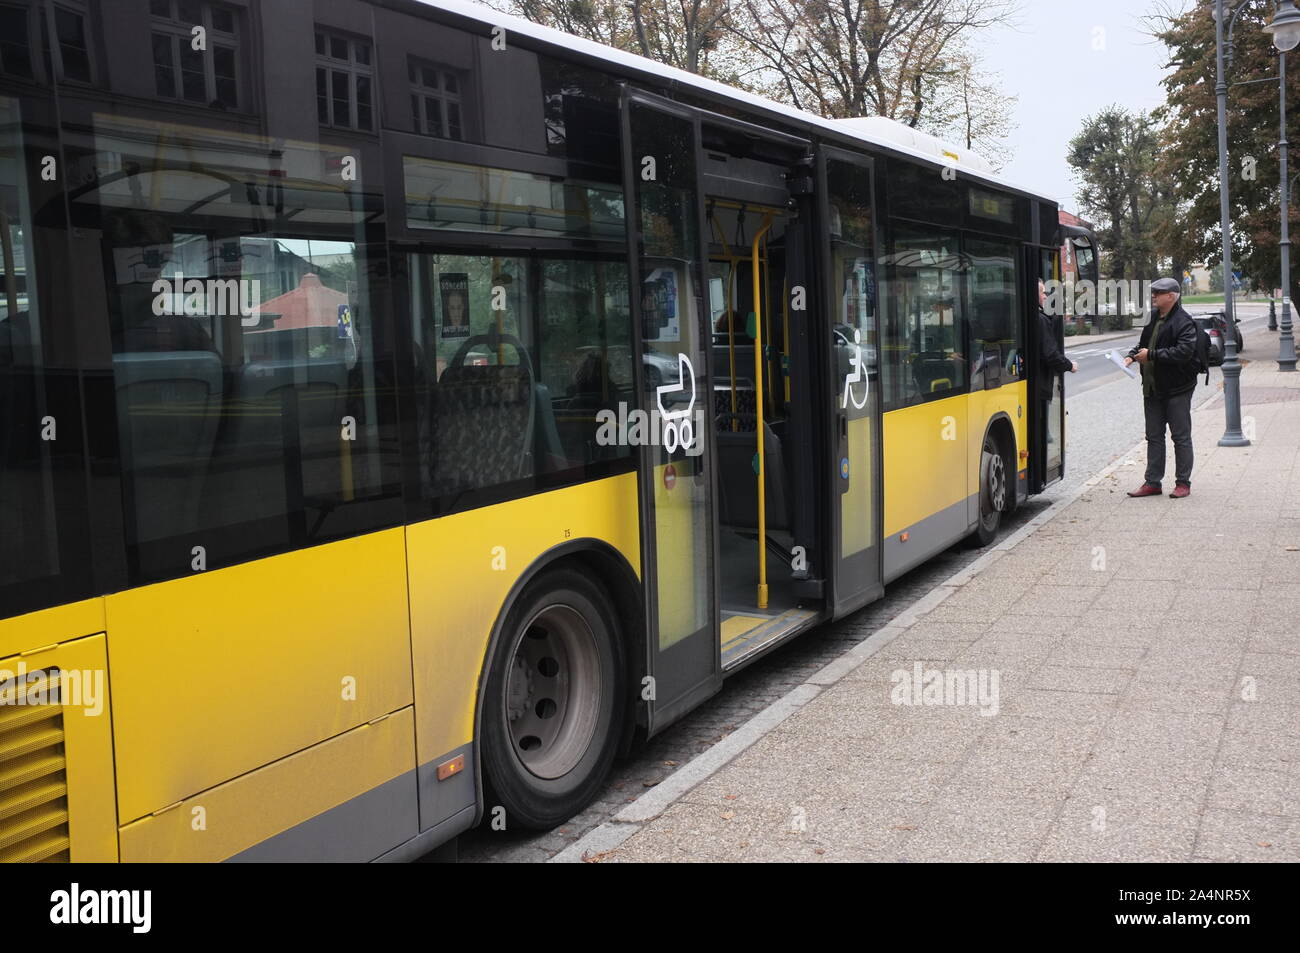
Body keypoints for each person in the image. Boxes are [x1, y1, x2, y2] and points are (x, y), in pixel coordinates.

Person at [1123, 276, 1199, 499]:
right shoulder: (1154, 317)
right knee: (1154, 436)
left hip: (1177, 388)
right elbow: (1144, 344)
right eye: (1153, 292)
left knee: (1181, 437)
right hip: (1153, 388)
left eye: (1158, 293)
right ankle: (1153, 482)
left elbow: (1184, 352)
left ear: (1171, 296)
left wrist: (1152, 355)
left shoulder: (1184, 321)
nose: (1154, 296)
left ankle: (1183, 483)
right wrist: (1131, 356)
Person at [1037, 279, 1078, 439]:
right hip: (1040, 385)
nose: (1045, 296)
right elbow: (1051, 354)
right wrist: (1069, 366)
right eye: (1042, 292)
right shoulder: (1040, 320)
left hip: (1034, 385)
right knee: (1042, 431)